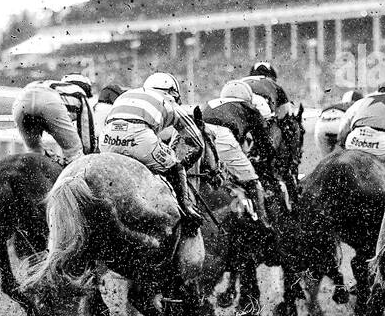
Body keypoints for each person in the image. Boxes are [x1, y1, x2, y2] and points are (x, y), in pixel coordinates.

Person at [98, 72, 205, 233]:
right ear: (171, 91)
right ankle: (187, 209)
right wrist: (183, 165)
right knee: (176, 167)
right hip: (140, 139)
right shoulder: (169, 101)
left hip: (107, 139)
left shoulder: (127, 94)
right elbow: (197, 143)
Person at [201, 80, 274, 229]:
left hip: (200, 137)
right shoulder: (249, 108)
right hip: (222, 137)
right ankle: (263, 222)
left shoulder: (212, 103)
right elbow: (265, 143)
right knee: (253, 180)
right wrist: (267, 156)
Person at [12, 73, 96, 164]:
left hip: (21, 99)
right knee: (74, 153)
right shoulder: (80, 93)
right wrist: (88, 154)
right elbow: (87, 134)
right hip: (48, 99)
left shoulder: (56, 87)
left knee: (35, 152)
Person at [315, 89, 362, 157]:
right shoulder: (357, 105)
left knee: (326, 160)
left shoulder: (335, 105)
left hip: (321, 127)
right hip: (339, 125)